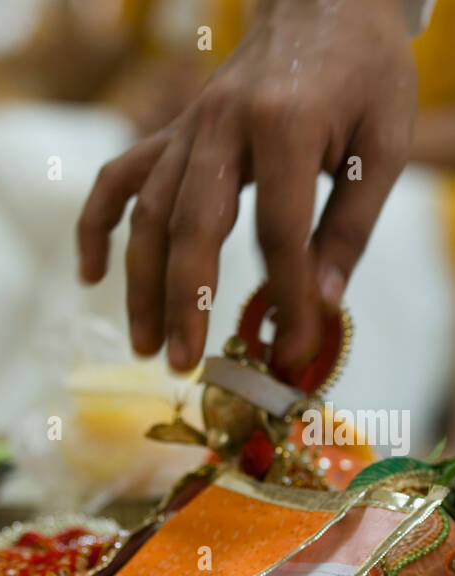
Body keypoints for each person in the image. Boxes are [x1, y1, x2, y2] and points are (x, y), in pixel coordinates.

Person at [76, 0, 432, 380]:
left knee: (243, 234)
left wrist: (346, 138)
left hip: (425, 175)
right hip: (259, 119)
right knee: (25, 158)